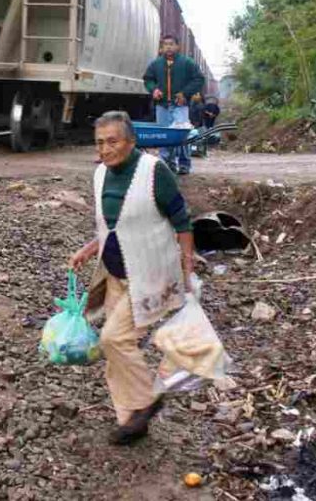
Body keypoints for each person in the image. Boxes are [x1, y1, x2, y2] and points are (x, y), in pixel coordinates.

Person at [68, 110, 195, 445]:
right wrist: (89, 248)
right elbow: (115, 224)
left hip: (149, 276)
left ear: (131, 141)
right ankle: (131, 421)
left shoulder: (154, 172)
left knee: (113, 339)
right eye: (100, 142)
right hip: (114, 275)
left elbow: (182, 222)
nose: (106, 149)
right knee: (116, 350)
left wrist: (188, 269)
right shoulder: (99, 175)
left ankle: (149, 398)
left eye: (113, 141)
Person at [143, 36, 205, 175]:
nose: (168, 47)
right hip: (162, 106)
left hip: (180, 105)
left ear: (178, 47)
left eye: (171, 44)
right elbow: (148, 79)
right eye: (165, 44)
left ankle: (184, 164)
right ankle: (167, 165)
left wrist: (185, 93)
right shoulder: (156, 64)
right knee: (164, 136)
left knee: (182, 136)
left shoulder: (187, 63)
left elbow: (199, 79)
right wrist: (154, 90)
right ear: (162, 47)